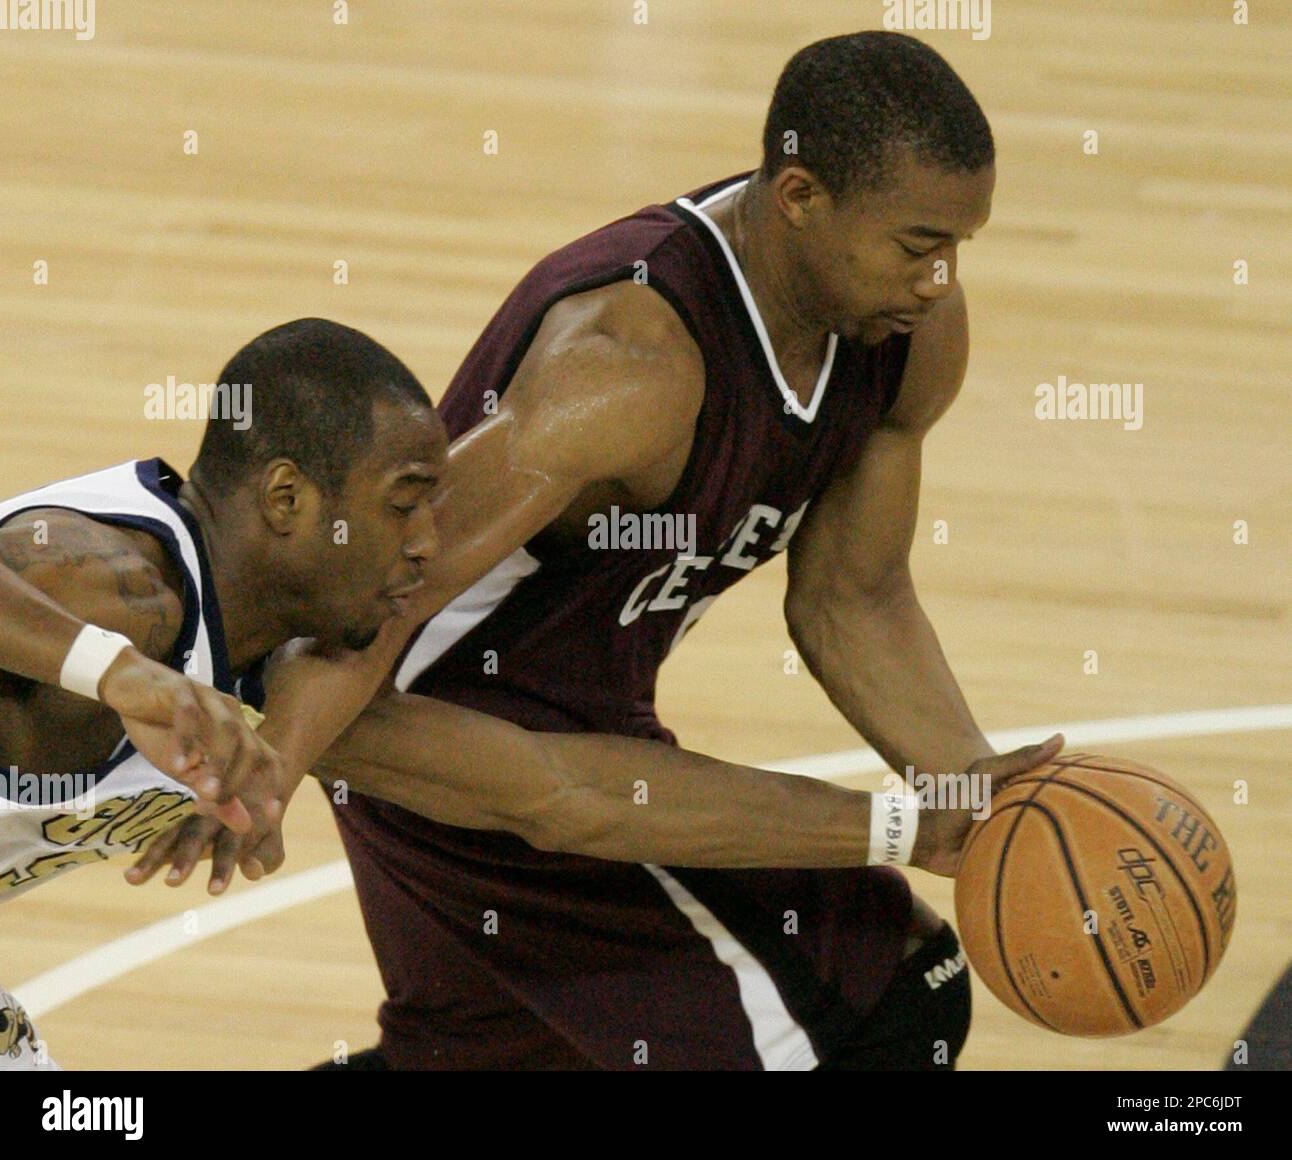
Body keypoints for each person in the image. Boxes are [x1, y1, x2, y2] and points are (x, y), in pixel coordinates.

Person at [146, 32, 1062, 1070]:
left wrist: (985, 800)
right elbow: (378, 598)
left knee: (492, 1056)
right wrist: (270, 770)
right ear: (800, 196)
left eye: (959, 248)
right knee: (883, 991)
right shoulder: (630, 368)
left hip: (588, 696)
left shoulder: (907, 336)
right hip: (427, 712)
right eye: (918, 243)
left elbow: (854, 596)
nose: (939, 279)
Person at [0, 317, 444, 1067]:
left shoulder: (266, 678)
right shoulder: (115, 588)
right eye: (403, 505)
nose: (428, 539)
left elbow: (544, 791)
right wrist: (120, 671)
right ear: (286, 498)